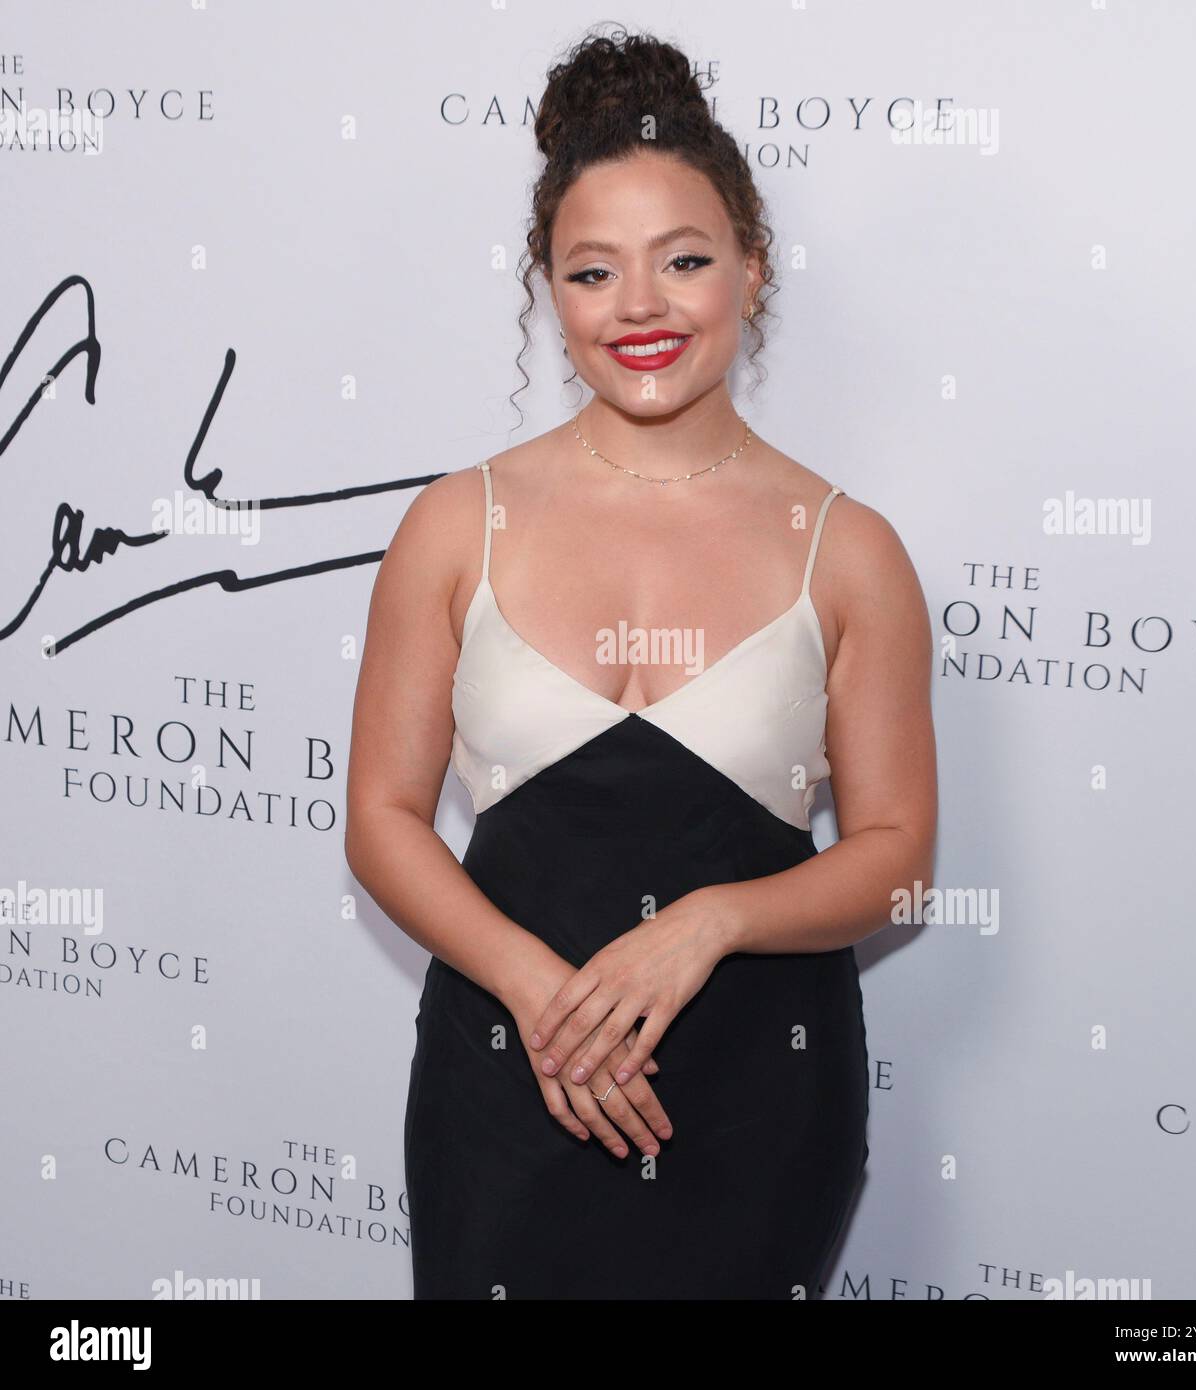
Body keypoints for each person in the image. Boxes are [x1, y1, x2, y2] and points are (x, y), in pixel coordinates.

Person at [345, 26, 937, 1299]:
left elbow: (895, 863)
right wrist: (535, 993)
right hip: (505, 1078)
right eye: (592, 271)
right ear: (547, 290)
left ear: (751, 270)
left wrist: (713, 923)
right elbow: (384, 819)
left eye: (682, 261)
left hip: (753, 1098)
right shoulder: (459, 523)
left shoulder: (849, 551)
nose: (640, 309)